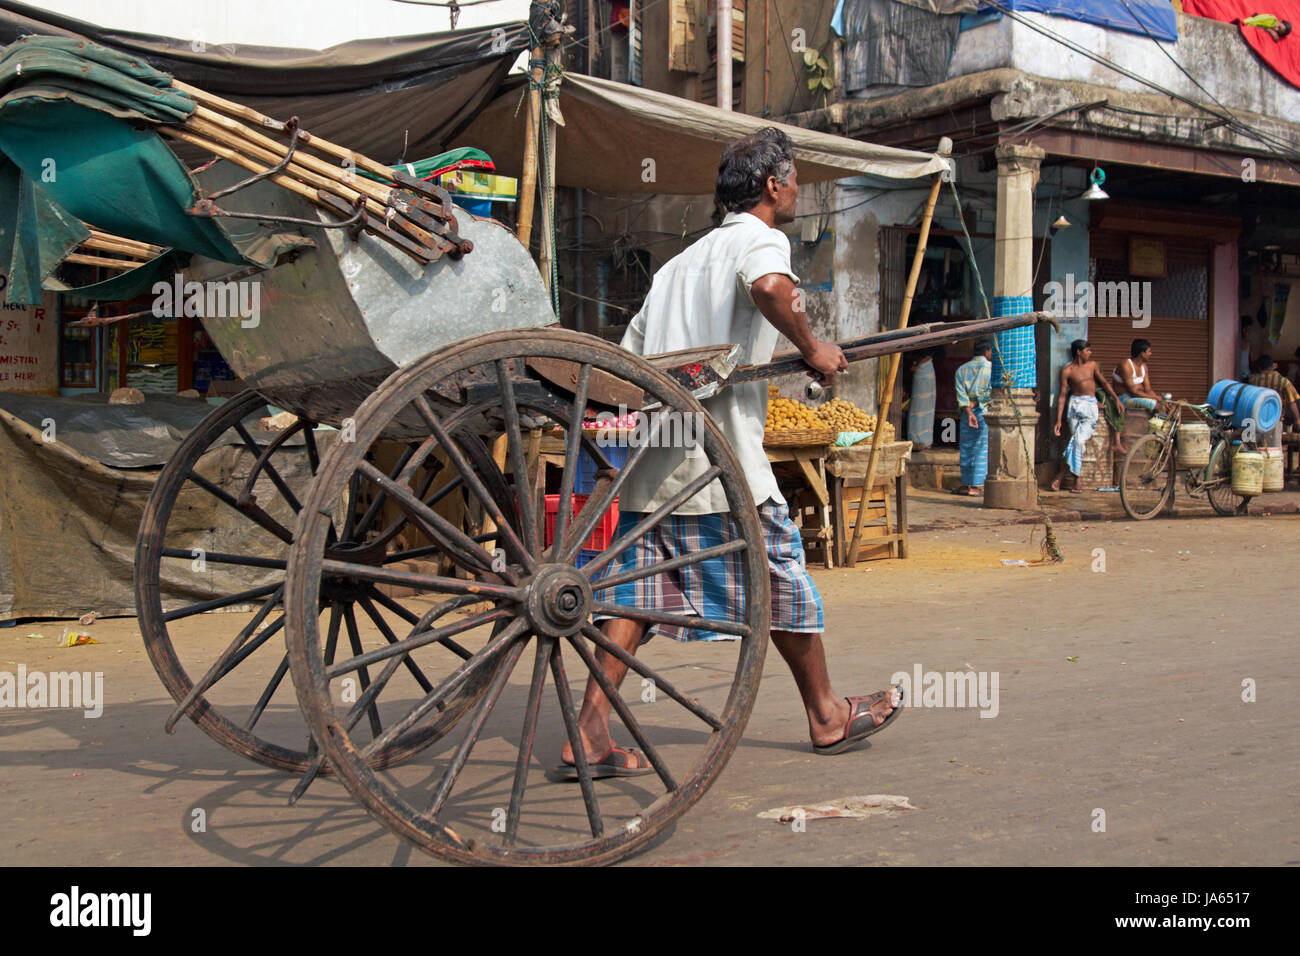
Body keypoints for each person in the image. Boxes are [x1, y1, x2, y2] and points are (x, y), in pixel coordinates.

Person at [556, 127, 902, 778]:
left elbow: (631, 364)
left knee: (639, 600)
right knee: (782, 579)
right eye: (795, 179)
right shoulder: (760, 239)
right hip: (722, 467)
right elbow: (772, 289)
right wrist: (811, 344)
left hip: (657, 465)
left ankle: (589, 735)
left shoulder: (679, 266)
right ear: (773, 186)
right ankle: (827, 714)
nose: (799, 189)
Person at [1052, 339, 1124, 492]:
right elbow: (1062, 396)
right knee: (1076, 441)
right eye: (1087, 350)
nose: (1090, 353)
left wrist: (1116, 399)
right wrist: (1058, 420)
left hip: (1090, 406)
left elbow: (1104, 383)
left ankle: (1066, 477)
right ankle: (1070, 479)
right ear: (1079, 352)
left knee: (1078, 440)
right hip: (1074, 407)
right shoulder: (1068, 371)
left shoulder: (1093, 366)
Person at [952, 338, 992, 496]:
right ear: (986, 351)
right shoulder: (991, 369)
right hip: (982, 412)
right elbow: (989, 393)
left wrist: (968, 411)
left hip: (965, 413)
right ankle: (976, 486)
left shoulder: (961, 369)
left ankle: (966, 484)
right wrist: (975, 405)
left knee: (966, 447)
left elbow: (961, 395)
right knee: (981, 448)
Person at [1248, 354, 1300, 444]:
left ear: (1259, 367)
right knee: (1274, 450)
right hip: (1275, 420)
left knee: (1256, 449)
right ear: (1273, 366)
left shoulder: (1253, 380)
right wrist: (1297, 420)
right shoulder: (1283, 381)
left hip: (1256, 418)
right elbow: (1291, 403)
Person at [907, 347, 938, 449]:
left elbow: (926, 355)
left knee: (919, 407)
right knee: (924, 407)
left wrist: (917, 365)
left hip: (923, 371)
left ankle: (918, 440)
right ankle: (924, 441)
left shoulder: (924, 356)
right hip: (926, 370)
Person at [1238, 315, 1255, 381]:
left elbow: (1250, 360)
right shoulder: (1233, 343)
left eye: (1248, 330)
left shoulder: (1249, 343)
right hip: (1237, 374)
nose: (1246, 332)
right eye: (1245, 329)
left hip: (1246, 374)